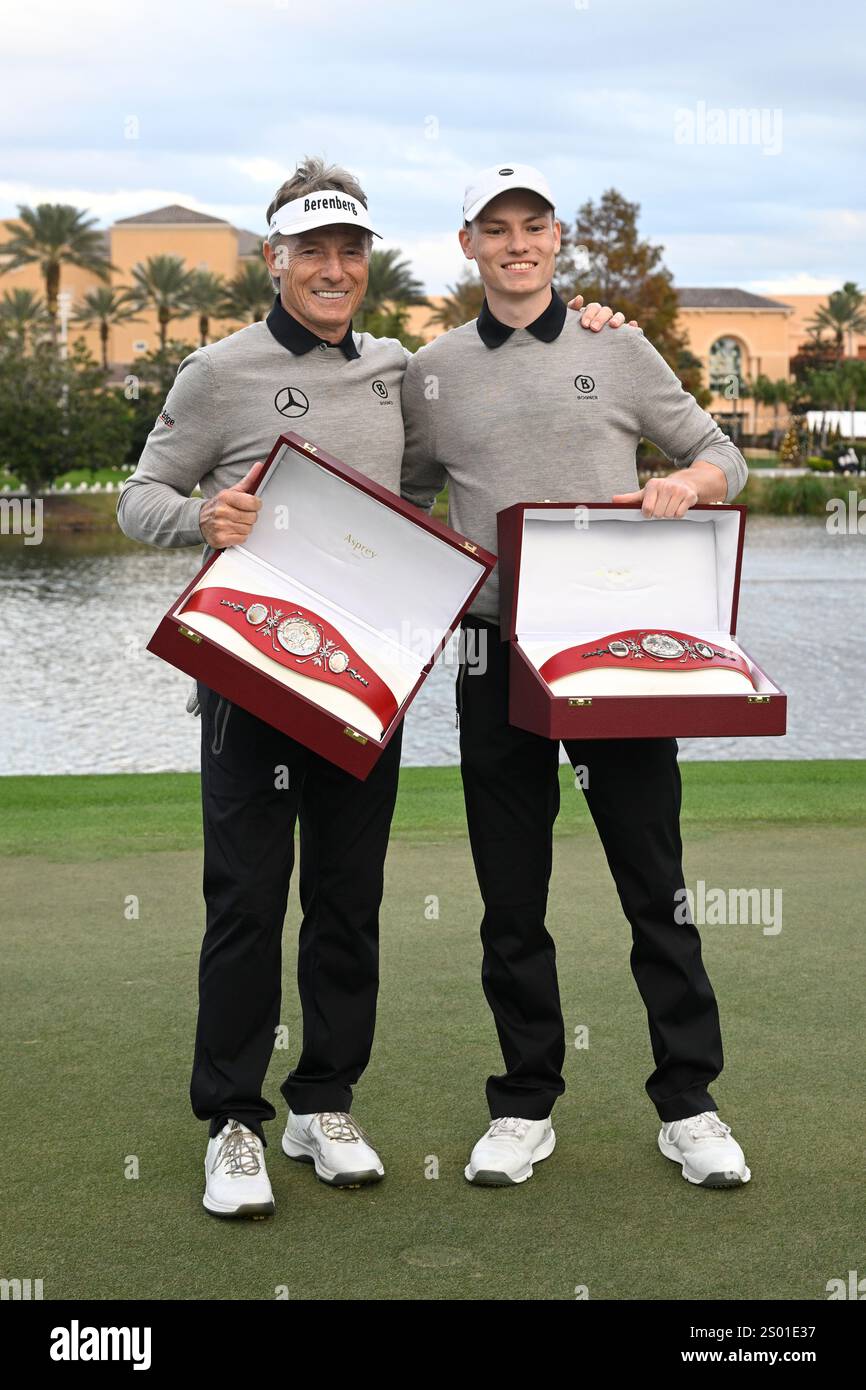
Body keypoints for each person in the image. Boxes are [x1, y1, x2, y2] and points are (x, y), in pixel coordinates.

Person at [117, 155, 627, 1218]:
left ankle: (322, 1100)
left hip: (368, 674)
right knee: (248, 902)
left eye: (351, 250)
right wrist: (197, 522)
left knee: (349, 901)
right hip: (250, 674)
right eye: (314, 251)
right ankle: (232, 1121)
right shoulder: (217, 372)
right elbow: (141, 496)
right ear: (276, 259)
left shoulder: (401, 370)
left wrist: (597, 327)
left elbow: (483, 408)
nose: (335, 268)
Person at [401, 163, 753, 1190]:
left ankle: (688, 1101)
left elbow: (720, 456)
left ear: (557, 240)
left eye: (533, 226)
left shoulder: (617, 343)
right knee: (511, 895)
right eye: (494, 228)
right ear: (466, 242)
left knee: (654, 884)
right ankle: (523, 1102)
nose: (516, 244)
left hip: (617, 648)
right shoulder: (432, 370)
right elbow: (398, 493)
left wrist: (680, 485)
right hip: (491, 653)